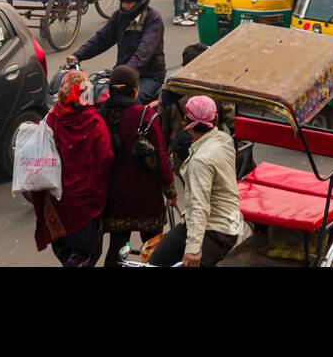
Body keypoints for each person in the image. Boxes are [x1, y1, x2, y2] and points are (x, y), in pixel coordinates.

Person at [29, 69, 113, 267]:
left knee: (68, 254)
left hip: (59, 204)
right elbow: (106, 159)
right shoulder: (94, 122)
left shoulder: (51, 120)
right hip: (87, 203)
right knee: (87, 255)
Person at [147, 96, 239, 267]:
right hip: (204, 222)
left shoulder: (200, 160)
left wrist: (193, 249)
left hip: (216, 230)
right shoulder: (224, 140)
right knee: (155, 262)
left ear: (186, 123)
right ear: (216, 118)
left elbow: (199, 206)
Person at [99, 65, 174, 267]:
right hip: (146, 199)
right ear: (135, 90)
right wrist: (171, 190)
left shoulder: (100, 115)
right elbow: (161, 157)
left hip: (116, 199)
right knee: (154, 250)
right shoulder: (145, 115)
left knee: (117, 248)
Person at [67, 0, 167, 103]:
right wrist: (78, 55)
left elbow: (143, 53)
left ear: (141, 2)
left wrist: (122, 73)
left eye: (129, 2)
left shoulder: (153, 19)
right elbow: (101, 39)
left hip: (148, 76)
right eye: (123, 1)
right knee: (92, 96)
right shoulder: (119, 17)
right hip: (122, 73)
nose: (125, 5)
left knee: (129, 104)